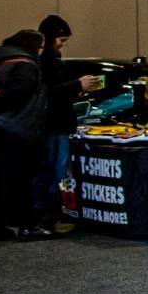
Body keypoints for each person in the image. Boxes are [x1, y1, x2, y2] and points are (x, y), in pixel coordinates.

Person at [35, 16, 99, 230]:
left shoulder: (47, 61)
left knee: (53, 170)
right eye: (61, 39)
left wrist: (76, 88)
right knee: (55, 171)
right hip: (56, 125)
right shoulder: (47, 63)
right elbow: (50, 93)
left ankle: (48, 215)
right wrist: (77, 85)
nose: (62, 44)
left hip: (56, 123)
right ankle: (49, 217)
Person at [0, 31, 50, 238]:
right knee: (20, 181)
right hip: (15, 129)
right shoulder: (25, 64)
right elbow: (19, 92)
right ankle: (28, 225)